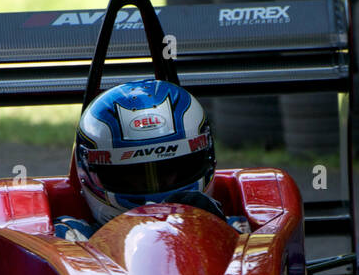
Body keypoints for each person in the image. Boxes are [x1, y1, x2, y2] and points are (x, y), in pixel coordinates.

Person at [54, 78, 249, 240]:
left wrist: (220, 232)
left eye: (171, 169)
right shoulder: (73, 239)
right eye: (132, 174)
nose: (156, 193)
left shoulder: (239, 232)